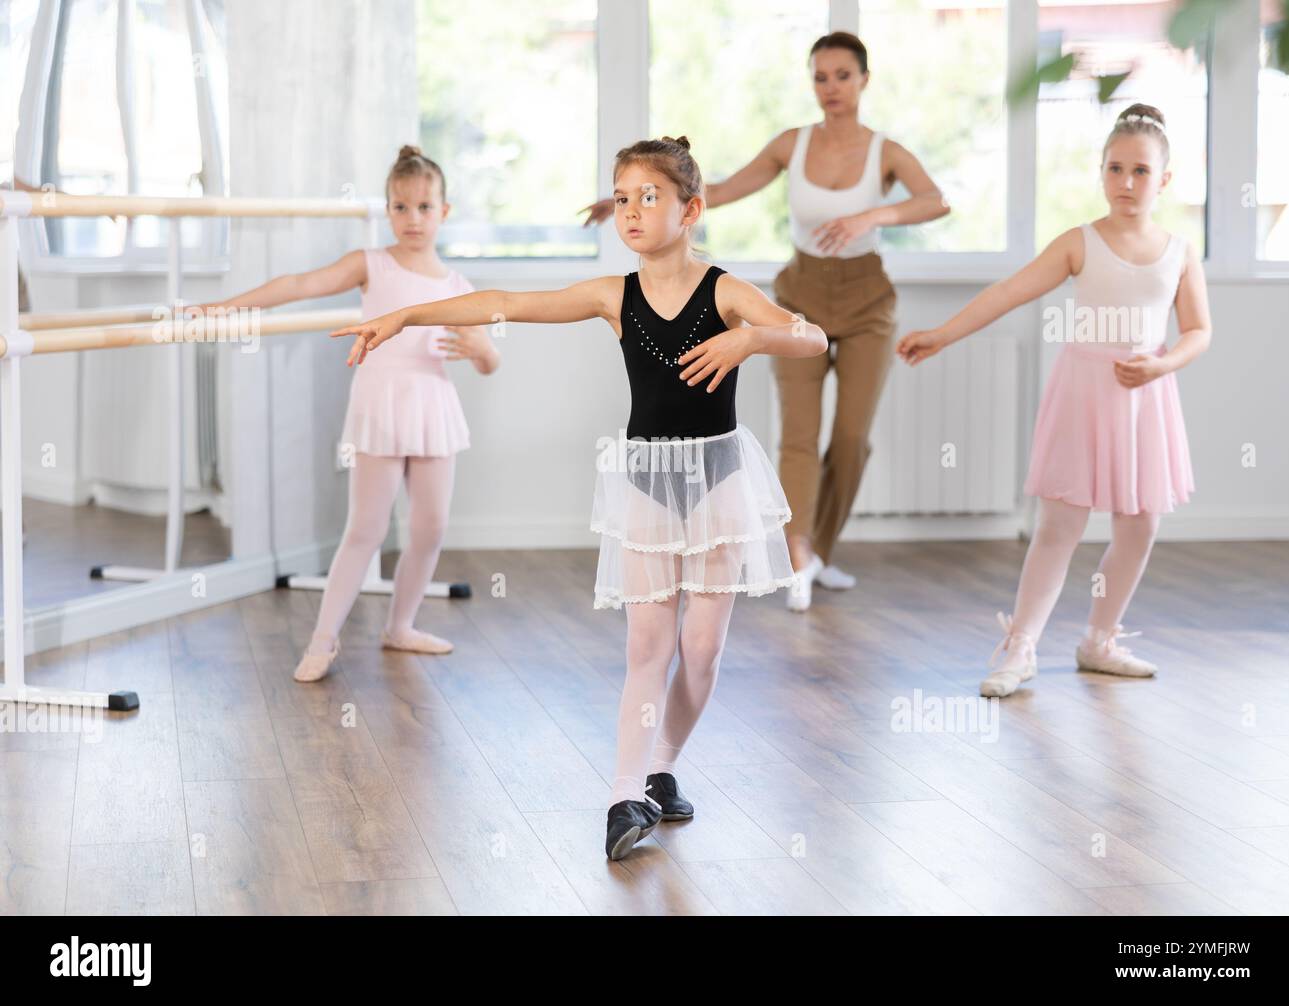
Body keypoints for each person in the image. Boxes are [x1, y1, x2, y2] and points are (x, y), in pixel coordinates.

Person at [331, 136, 828, 861]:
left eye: (647, 196)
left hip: (719, 483)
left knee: (702, 650)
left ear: (691, 210)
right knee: (646, 648)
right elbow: (505, 301)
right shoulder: (611, 295)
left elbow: (811, 338)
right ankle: (625, 795)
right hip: (648, 487)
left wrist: (749, 340)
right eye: (621, 197)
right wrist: (404, 316)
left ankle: (661, 768)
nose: (629, 210)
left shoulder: (723, 291)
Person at [583, 31, 949, 612]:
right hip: (801, 291)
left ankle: (822, 547)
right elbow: (719, 190)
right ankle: (798, 556)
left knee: (851, 437)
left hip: (867, 298)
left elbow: (936, 201)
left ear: (864, 81)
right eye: (820, 77)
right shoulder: (792, 144)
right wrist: (642, 199)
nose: (830, 88)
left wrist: (872, 215)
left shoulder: (886, 152)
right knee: (800, 436)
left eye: (842, 76)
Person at [897, 104, 1211, 697]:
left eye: (1140, 171)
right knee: (1059, 525)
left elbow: (1198, 329)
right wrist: (941, 334)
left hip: (1146, 398)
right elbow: (1009, 293)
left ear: (1164, 179)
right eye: (1114, 168)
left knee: (1141, 525)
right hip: (1083, 392)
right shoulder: (1080, 242)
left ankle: (1100, 640)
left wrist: (1163, 364)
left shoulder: (1179, 250)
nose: (1125, 182)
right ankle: (1020, 647)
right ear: (1100, 172)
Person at [194, 146, 499, 682]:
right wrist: (222, 310)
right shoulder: (370, 264)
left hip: (433, 408)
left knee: (430, 528)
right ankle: (323, 639)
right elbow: (297, 285)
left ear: (444, 212)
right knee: (365, 529)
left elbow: (491, 360)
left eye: (424, 207)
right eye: (400, 207)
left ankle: (400, 626)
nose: (412, 219)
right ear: (387, 210)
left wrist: (475, 349)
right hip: (380, 405)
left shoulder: (457, 287)